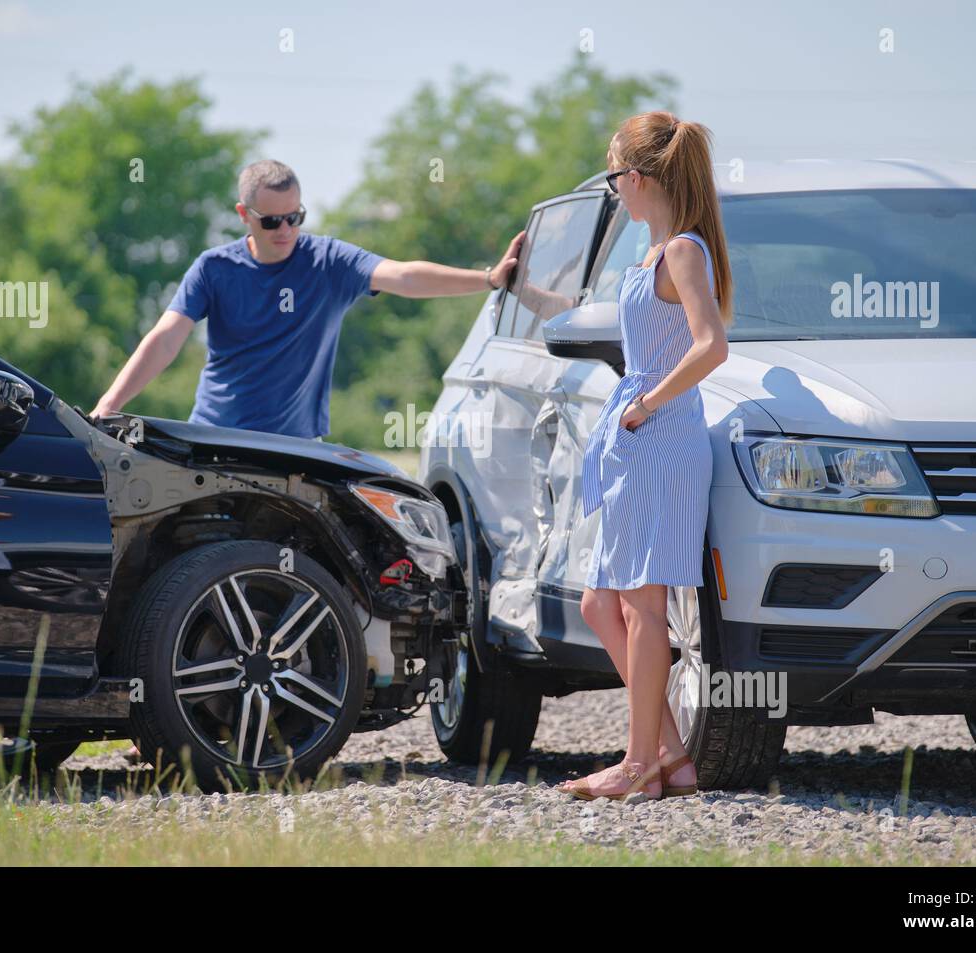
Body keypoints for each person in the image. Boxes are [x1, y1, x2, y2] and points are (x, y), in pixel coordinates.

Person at [90, 159, 524, 438]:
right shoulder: (214, 268)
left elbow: (404, 276)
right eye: (272, 220)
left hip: (297, 450)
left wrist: (487, 278)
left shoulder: (329, 261)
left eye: (295, 217)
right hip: (215, 438)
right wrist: (109, 406)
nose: (285, 230)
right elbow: (167, 338)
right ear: (244, 216)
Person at [559, 111, 734, 803]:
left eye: (612, 178)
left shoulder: (683, 250)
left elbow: (711, 345)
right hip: (636, 439)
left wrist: (647, 402)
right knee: (602, 602)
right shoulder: (653, 252)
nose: (614, 193)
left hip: (660, 440)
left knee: (641, 605)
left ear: (634, 177)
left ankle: (638, 766)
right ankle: (668, 754)